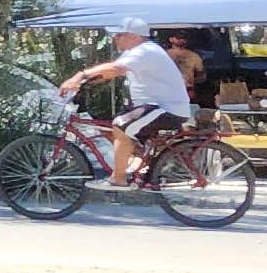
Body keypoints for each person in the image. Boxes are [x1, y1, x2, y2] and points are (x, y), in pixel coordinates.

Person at [61, 26, 195, 184]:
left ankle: (118, 179)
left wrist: (80, 76)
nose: (115, 38)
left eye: (119, 35)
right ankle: (138, 171)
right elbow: (111, 72)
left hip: (166, 108)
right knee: (120, 124)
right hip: (156, 107)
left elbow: (115, 68)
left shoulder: (145, 50)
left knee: (120, 126)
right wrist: (84, 83)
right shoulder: (134, 53)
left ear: (134, 36)